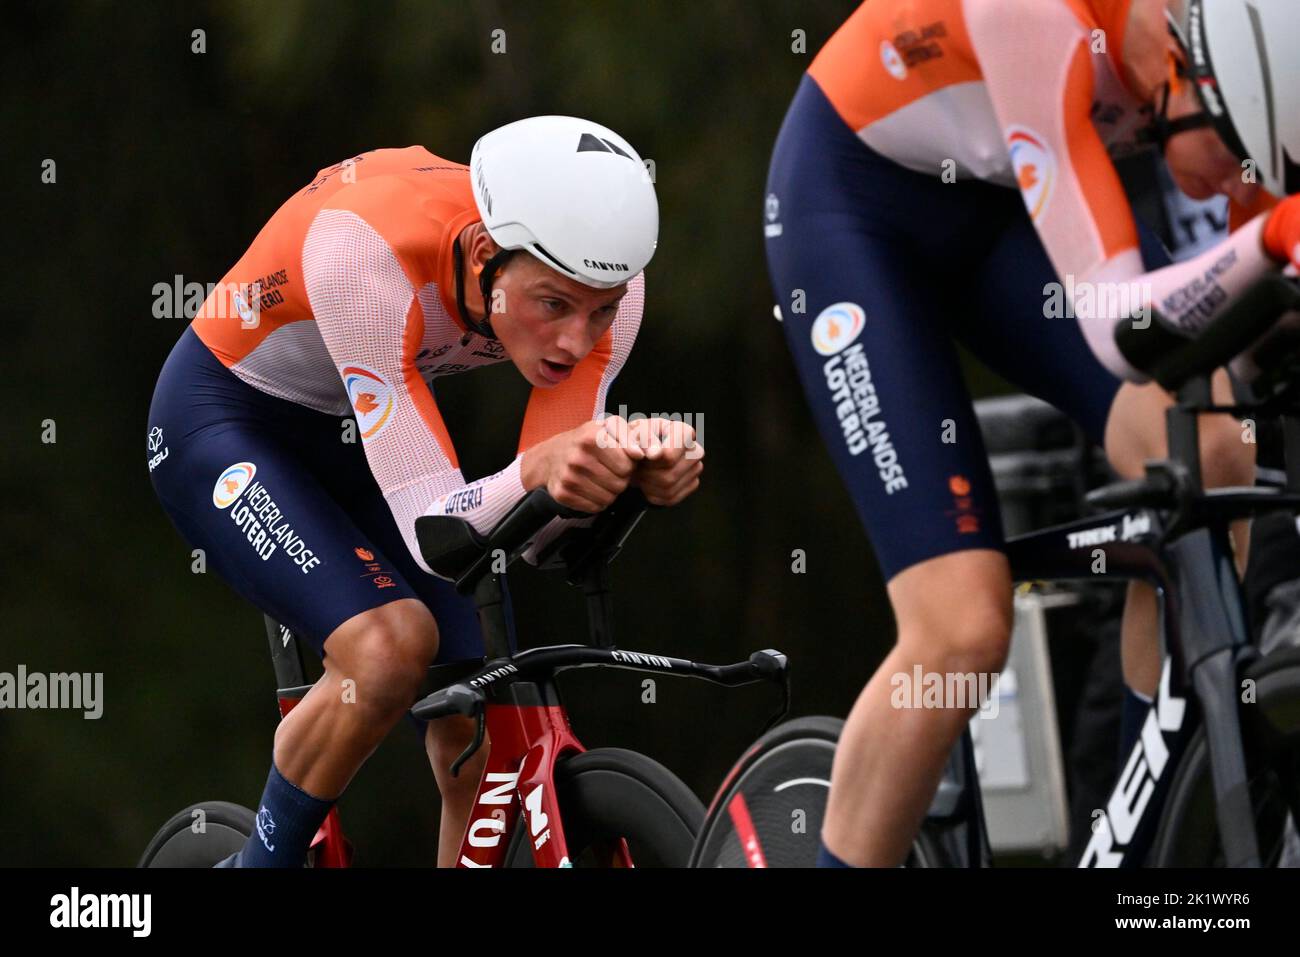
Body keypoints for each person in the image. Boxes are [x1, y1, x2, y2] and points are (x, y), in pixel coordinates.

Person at [763, 0, 1300, 867]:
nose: (1237, 187)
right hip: (854, 210)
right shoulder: (1035, 18)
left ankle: (1136, 855)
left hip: (1001, 201)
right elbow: (1123, 324)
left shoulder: (1242, 48)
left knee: (1212, 451)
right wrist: (1276, 236)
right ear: (1184, 77)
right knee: (962, 628)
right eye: (1242, 158)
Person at [146, 115, 704, 867]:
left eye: (598, 310)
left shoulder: (609, 285)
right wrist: (543, 472)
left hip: (357, 432)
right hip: (225, 420)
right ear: (484, 254)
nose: (578, 339)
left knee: (481, 733)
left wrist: (630, 480)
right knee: (389, 649)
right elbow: (436, 533)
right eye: (551, 305)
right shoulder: (365, 256)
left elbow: (536, 535)